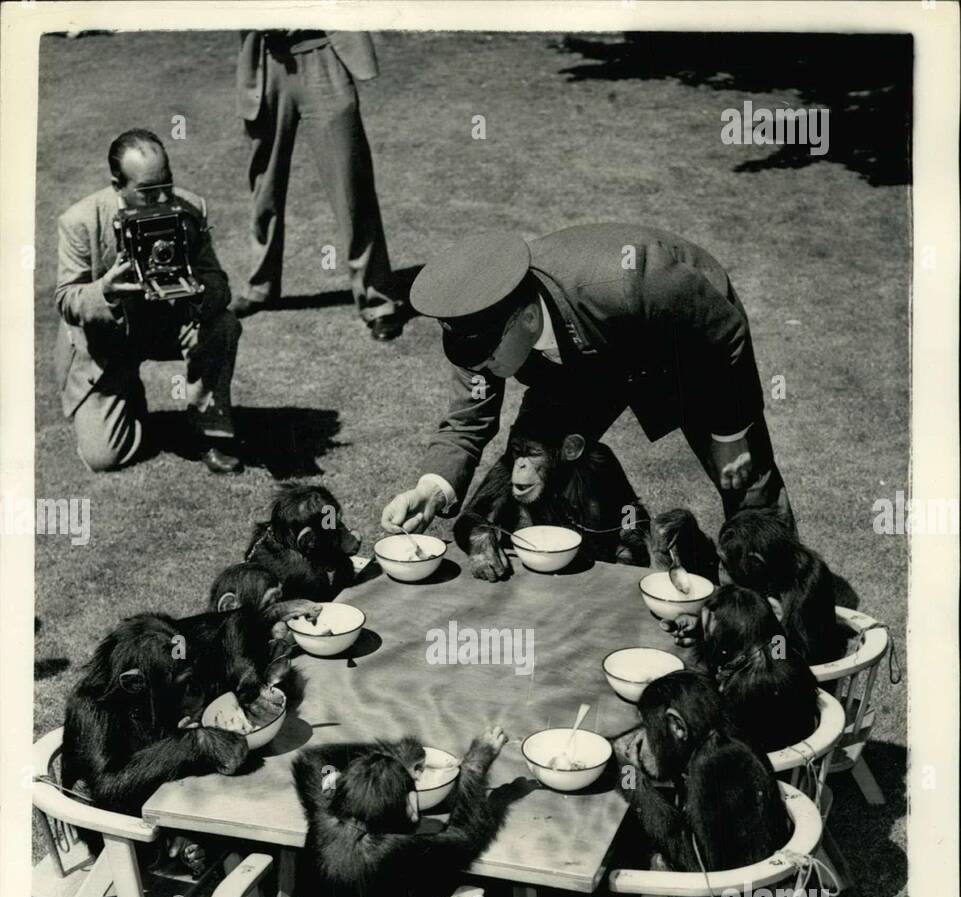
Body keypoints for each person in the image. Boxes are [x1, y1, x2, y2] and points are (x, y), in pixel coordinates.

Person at [381, 224, 794, 534]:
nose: (483, 370)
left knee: (744, 480)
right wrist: (431, 490)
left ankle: (779, 615)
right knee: (539, 466)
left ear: (526, 318)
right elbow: (467, 421)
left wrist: (731, 430)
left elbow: (723, 333)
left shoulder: (632, 281)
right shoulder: (477, 325)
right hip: (577, 363)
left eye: (490, 358)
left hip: (681, 344)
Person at [54, 129, 241, 474]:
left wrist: (199, 292)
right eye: (146, 191)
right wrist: (104, 290)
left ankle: (209, 432)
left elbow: (219, 284)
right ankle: (126, 394)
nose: (160, 198)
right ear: (117, 185)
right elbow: (66, 300)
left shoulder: (189, 209)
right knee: (104, 457)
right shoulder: (79, 222)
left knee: (223, 324)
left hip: (166, 324)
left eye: (166, 184)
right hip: (106, 340)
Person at [231, 29, 404, 341]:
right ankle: (261, 286)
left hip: (323, 54)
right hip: (267, 61)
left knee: (351, 189)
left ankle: (378, 301)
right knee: (264, 188)